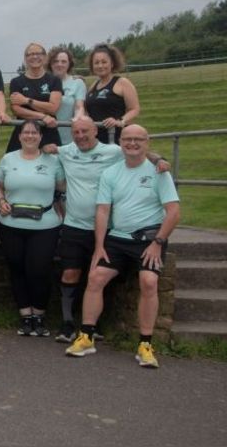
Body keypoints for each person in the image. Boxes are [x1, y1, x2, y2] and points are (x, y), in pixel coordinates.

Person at [44, 117, 170, 342]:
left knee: (100, 277)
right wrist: (48, 147)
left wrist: (159, 159)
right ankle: (67, 323)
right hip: (74, 224)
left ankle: (94, 325)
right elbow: (49, 149)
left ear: (96, 131)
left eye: (85, 131)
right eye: (76, 132)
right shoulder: (67, 151)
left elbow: (138, 150)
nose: (81, 135)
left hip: (106, 228)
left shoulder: (112, 150)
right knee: (70, 273)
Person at [66, 124, 180, 369]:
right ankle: (86, 336)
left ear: (147, 142)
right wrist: (99, 246)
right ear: (121, 142)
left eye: (138, 139)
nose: (132, 143)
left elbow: (173, 212)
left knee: (149, 282)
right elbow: (103, 210)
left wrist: (158, 243)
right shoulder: (110, 173)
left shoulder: (159, 172)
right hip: (117, 238)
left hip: (149, 239)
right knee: (95, 276)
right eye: (127, 139)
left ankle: (145, 344)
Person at [0, 119, 65, 337]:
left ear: (41, 136)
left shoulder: (53, 161)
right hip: (11, 223)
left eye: (34, 132)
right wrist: (0, 201)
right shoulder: (8, 159)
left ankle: (39, 314)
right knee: (17, 269)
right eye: (26, 132)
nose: (30, 136)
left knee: (39, 270)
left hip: (45, 224)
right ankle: (26, 315)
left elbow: (61, 189)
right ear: (19, 136)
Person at [7, 43, 62, 153]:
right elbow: (17, 110)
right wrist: (42, 116)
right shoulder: (16, 82)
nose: (34, 57)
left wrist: (26, 101)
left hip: (48, 131)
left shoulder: (54, 80)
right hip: (24, 132)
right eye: (30, 54)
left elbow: (53, 108)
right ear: (25, 58)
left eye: (38, 53)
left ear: (45, 57)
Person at [84, 43, 140, 144]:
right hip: (97, 140)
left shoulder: (122, 82)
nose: (100, 66)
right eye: (96, 63)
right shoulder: (93, 86)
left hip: (116, 138)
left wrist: (120, 121)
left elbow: (134, 109)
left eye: (104, 62)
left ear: (112, 63)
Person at [47, 47, 87, 145]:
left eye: (63, 61)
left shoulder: (77, 83)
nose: (59, 64)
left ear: (69, 64)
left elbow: (79, 106)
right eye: (55, 61)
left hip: (69, 139)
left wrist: (78, 117)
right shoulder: (43, 82)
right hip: (46, 137)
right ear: (50, 64)